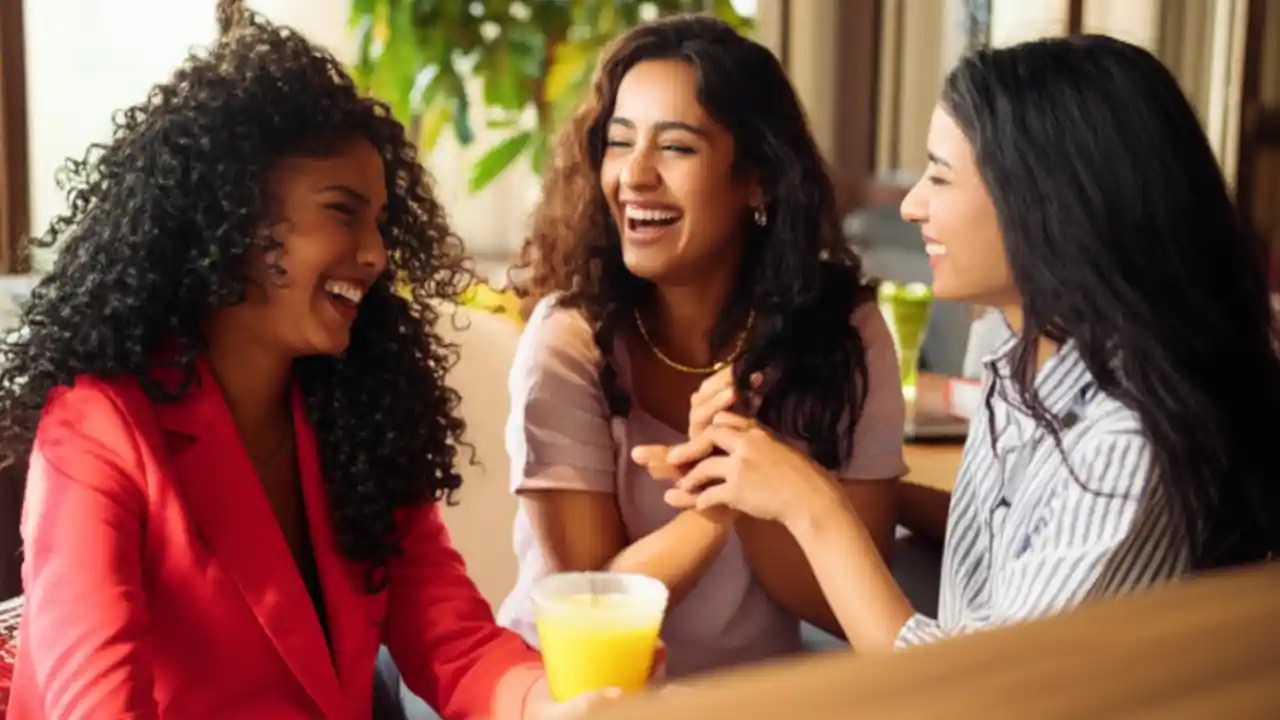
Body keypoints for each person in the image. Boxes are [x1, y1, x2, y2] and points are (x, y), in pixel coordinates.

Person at [0, 8, 592, 718]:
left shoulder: (356, 415)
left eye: (379, 222)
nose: (375, 254)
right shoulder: (99, 428)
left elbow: (456, 646)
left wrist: (555, 704)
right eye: (343, 212)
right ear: (234, 220)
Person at [645, 34, 1280, 652]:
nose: (914, 206)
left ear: (1045, 204)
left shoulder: (1124, 441)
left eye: (941, 178)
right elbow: (1013, 569)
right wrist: (803, 480)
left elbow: (963, 697)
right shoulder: (1020, 367)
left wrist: (811, 505)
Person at [499, 15, 907, 676]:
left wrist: (759, 475)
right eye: (618, 142)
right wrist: (713, 505)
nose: (634, 175)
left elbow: (845, 606)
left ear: (758, 179)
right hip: (575, 692)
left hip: (749, 697)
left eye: (677, 148)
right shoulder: (569, 339)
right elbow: (588, 608)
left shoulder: (844, 331)